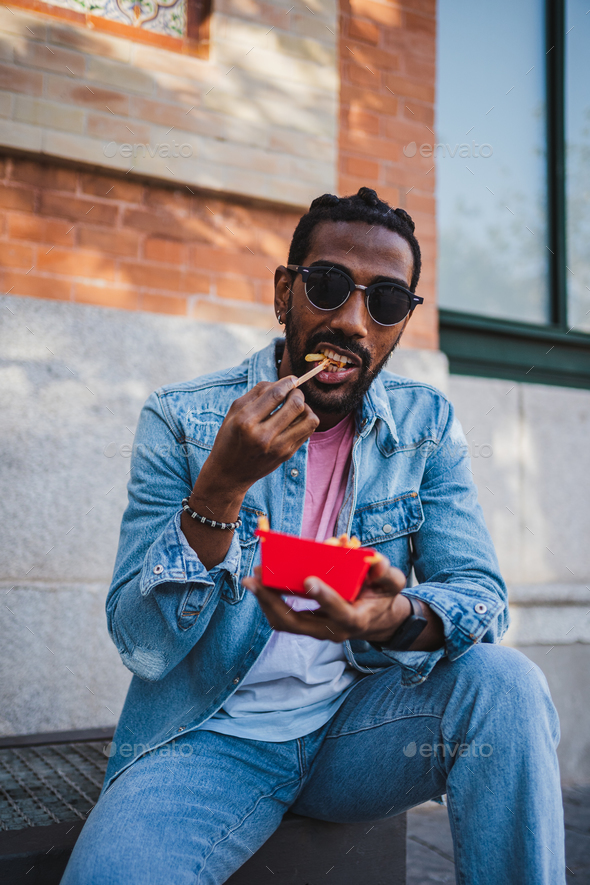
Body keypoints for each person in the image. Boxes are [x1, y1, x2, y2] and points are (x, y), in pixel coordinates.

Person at [61, 188, 565, 885]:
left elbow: (480, 596)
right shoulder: (184, 420)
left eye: (385, 301)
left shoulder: (426, 425)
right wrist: (218, 492)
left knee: (507, 683)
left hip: (358, 728)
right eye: (328, 286)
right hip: (209, 739)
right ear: (283, 292)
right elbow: (142, 644)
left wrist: (393, 618)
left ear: (401, 322)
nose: (352, 321)